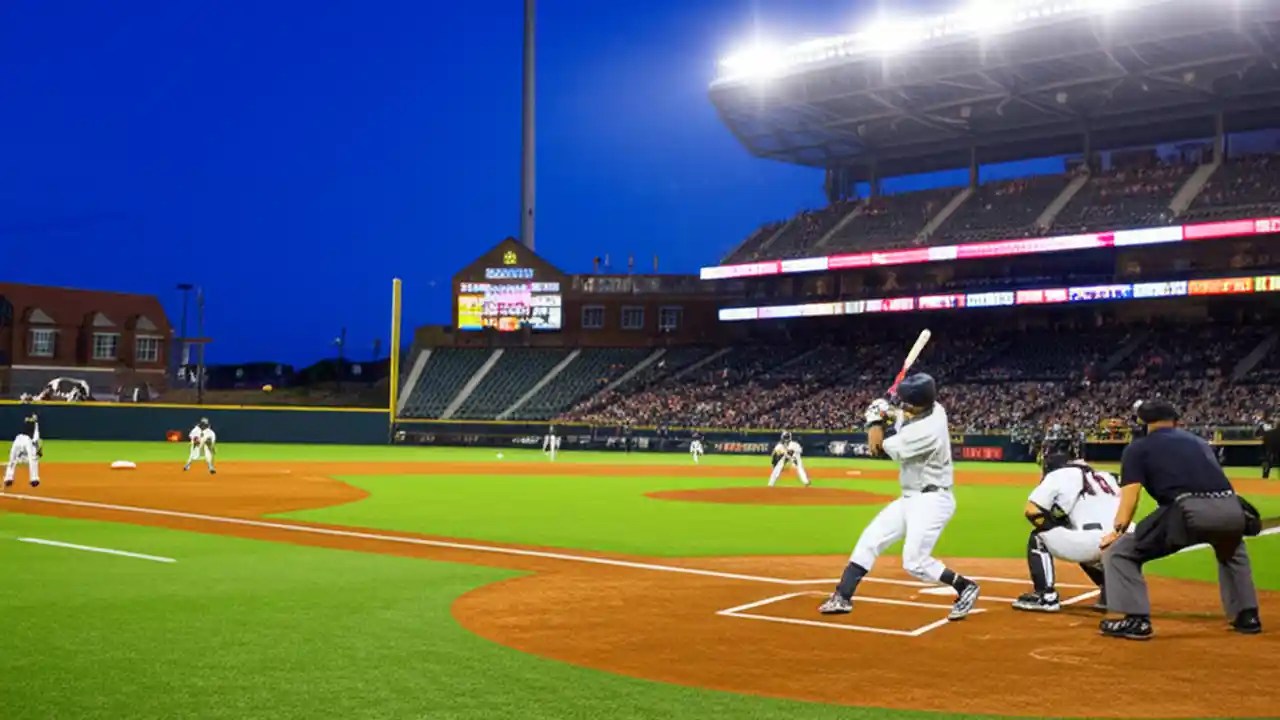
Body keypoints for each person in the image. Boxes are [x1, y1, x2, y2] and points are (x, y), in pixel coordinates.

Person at [819, 374, 982, 621]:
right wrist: (889, 409)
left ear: (917, 403)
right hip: (910, 498)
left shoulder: (925, 432)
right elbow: (904, 414)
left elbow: (877, 448)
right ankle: (842, 597)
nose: (903, 406)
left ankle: (965, 587)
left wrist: (874, 420)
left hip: (932, 502)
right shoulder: (935, 409)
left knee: (914, 562)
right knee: (870, 540)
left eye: (907, 403)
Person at [1099, 399, 1262, 640]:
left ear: (1143, 424)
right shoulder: (1199, 443)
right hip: (1231, 507)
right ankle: (1247, 616)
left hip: (1186, 509)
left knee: (1120, 552)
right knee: (1232, 549)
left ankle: (1136, 619)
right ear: (1176, 421)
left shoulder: (1138, 448)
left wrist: (1117, 531)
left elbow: (1130, 498)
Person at [1012, 454, 1116, 613]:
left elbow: (1031, 511)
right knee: (1082, 536)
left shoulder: (1059, 475)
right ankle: (1113, 593)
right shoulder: (1106, 477)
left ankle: (1046, 597)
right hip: (1122, 541)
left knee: (1039, 537)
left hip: (1090, 543)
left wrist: (1053, 525)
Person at [4, 411, 41, 489]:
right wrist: (38, 450)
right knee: (31, 459)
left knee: (14, 459)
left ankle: (33, 479)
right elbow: (36, 441)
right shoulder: (32, 424)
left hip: (22, 440)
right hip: (22, 439)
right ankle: (9, 478)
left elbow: (36, 439)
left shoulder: (35, 426)